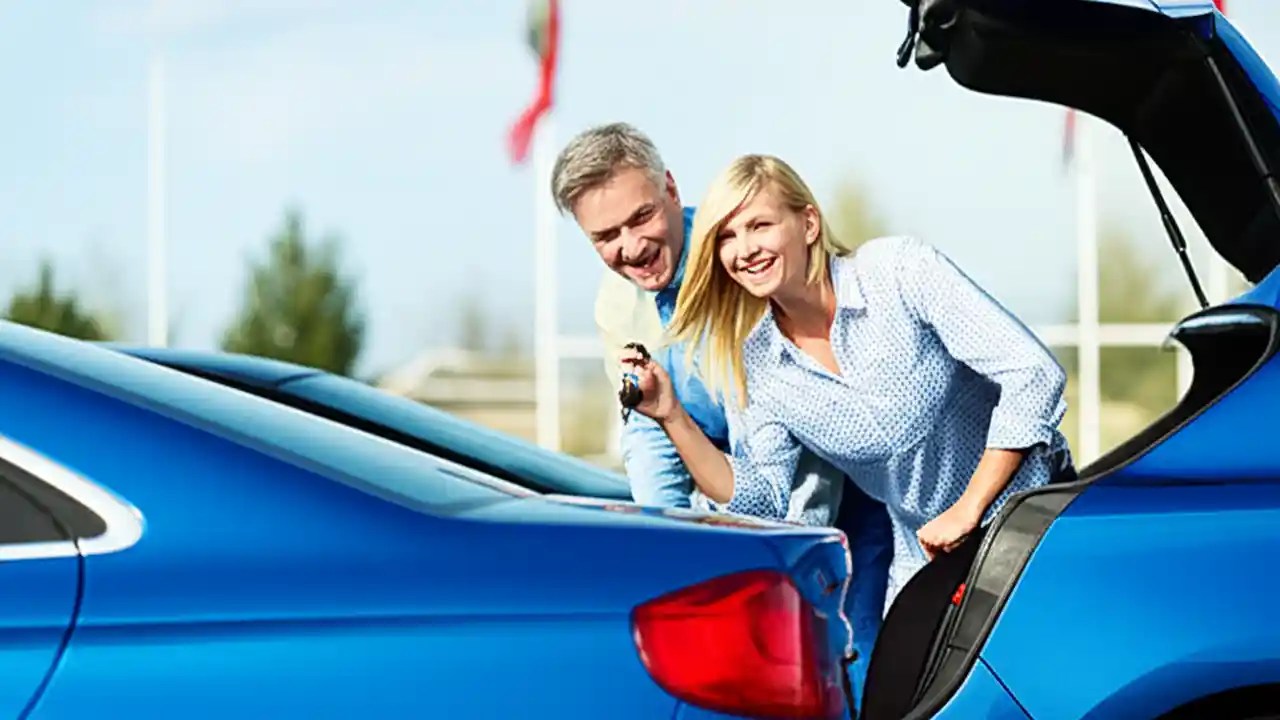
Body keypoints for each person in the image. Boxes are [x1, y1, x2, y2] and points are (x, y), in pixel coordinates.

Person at [623, 153, 1073, 603]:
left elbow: (1033, 375)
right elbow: (763, 498)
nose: (744, 250)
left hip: (1029, 521)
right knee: (897, 676)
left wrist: (968, 509)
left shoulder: (897, 271)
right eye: (727, 236)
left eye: (760, 226)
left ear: (809, 224)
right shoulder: (758, 364)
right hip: (928, 559)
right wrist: (670, 415)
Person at [550, 123, 893, 694]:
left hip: (834, 507)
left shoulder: (741, 266)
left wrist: (787, 564)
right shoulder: (616, 306)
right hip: (740, 500)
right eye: (605, 236)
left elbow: (806, 438)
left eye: (640, 218)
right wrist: (668, 550)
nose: (631, 248)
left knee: (850, 674)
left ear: (670, 188)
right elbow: (649, 433)